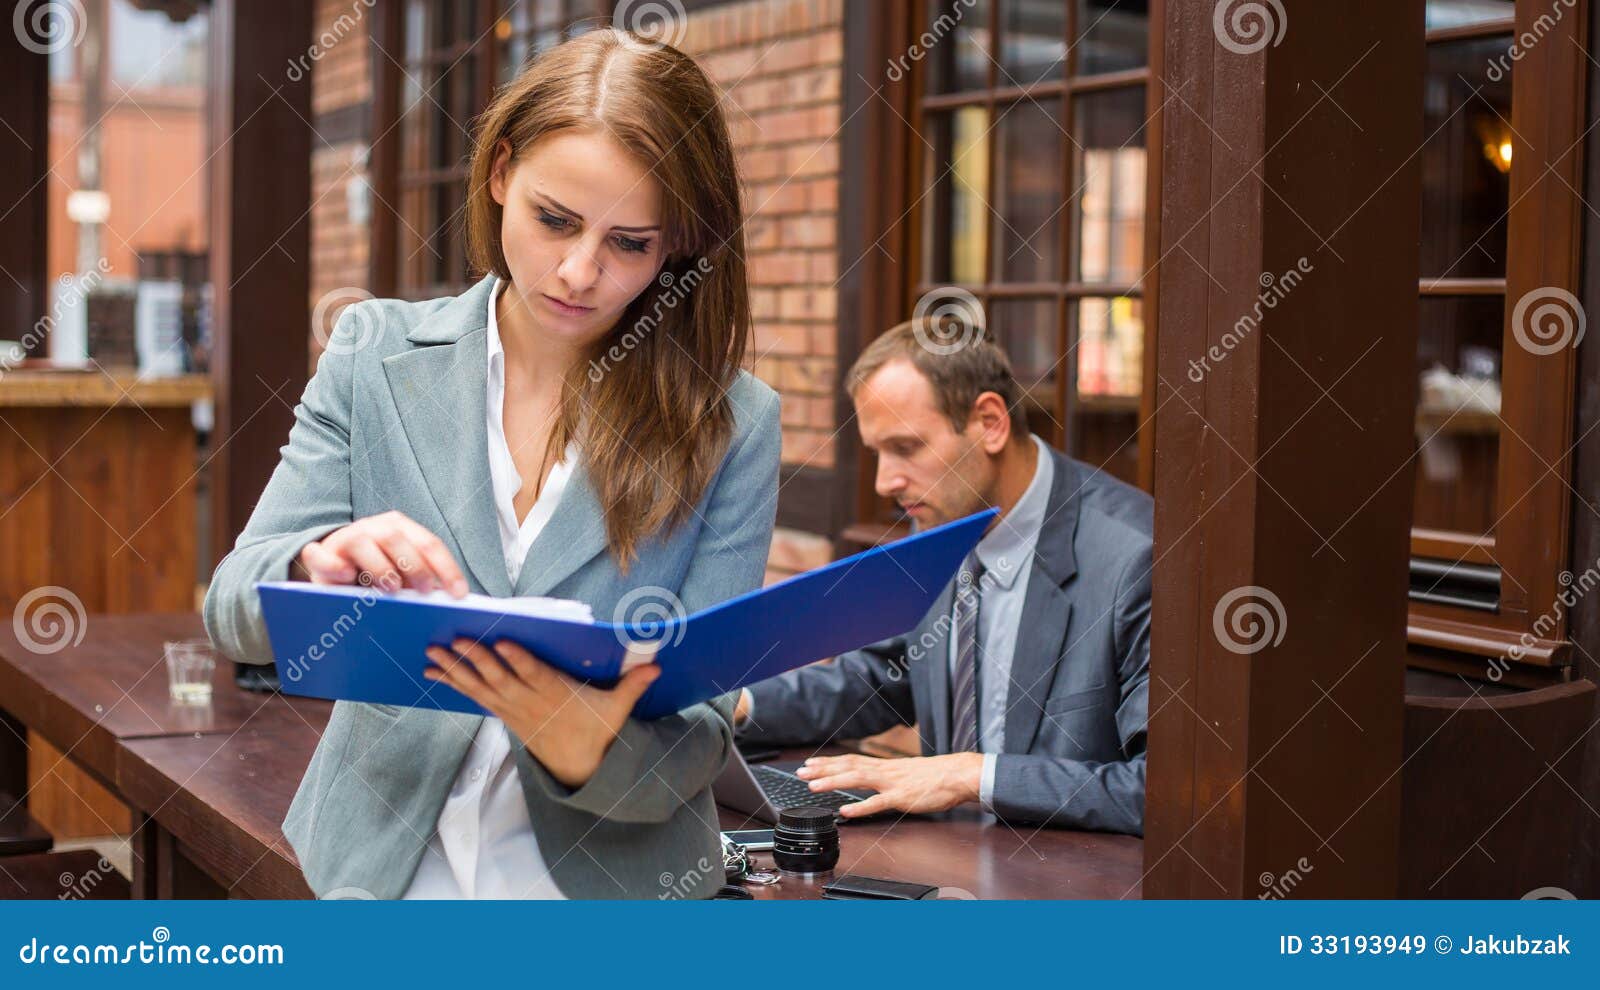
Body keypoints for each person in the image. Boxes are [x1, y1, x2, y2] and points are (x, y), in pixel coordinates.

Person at [203, 29, 779, 899]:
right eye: (555, 220)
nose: (579, 272)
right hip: (382, 881)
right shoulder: (374, 352)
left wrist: (584, 743)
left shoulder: (733, 422)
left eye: (630, 244)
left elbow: (698, 738)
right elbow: (233, 610)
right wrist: (313, 565)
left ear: (680, 248)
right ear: (501, 172)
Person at [734, 318, 1150, 835]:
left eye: (906, 448)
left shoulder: (1136, 558)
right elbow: (887, 675)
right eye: (877, 453)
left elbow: (1157, 790)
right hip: (948, 861)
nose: (885, 482)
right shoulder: (940, 520)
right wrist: (741, 707)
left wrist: (973, 775)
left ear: (990, 423)